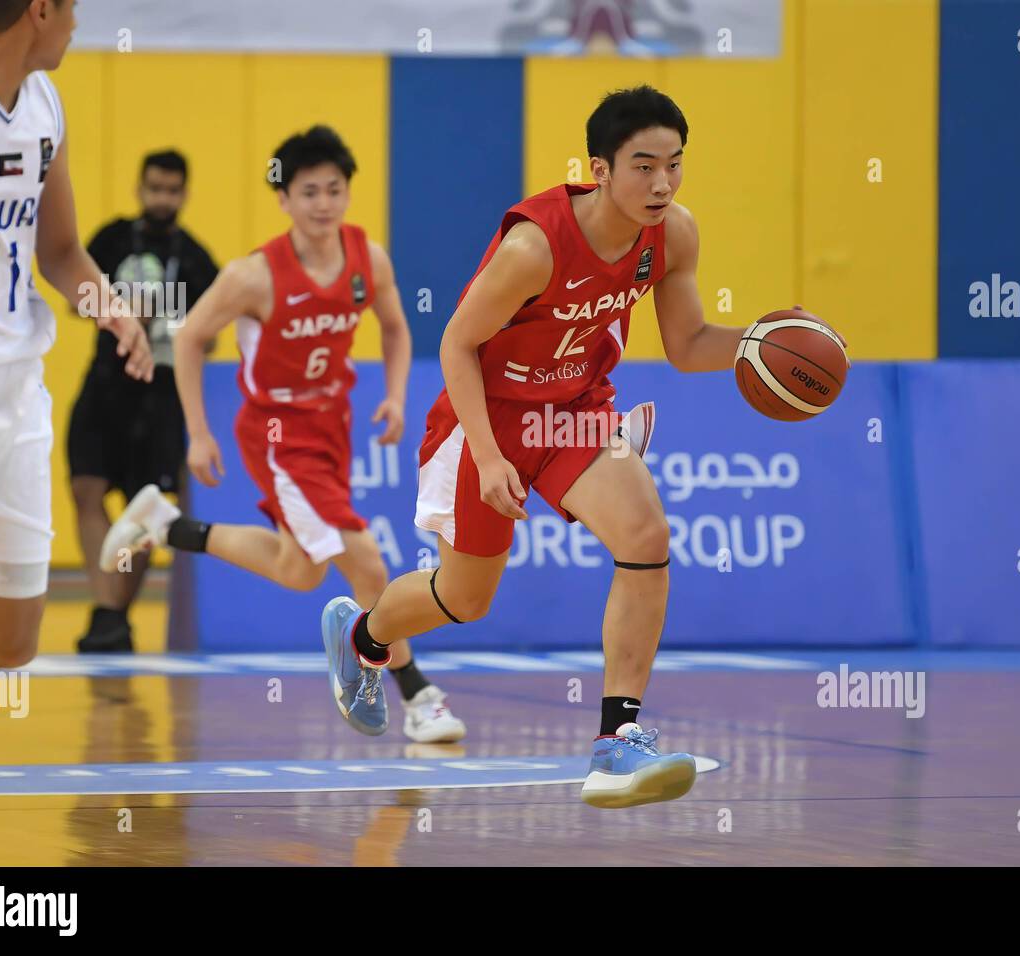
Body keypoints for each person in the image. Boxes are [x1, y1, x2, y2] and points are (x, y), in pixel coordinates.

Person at [320, 85, 769, 808]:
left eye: (675, 165)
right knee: (464, 600)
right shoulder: (536, 245)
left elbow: (686, 345)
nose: (661, 183)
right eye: (643, 166)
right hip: (488, 420)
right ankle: (365, 640)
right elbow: (458, 344)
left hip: (575, 414)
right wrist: (492, 457)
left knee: (646, 534)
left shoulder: (673, 235)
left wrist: (761, 340)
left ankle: (616, 743)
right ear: (600, 169)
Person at [102, 126, 466, 743]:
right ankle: (418, 696)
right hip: (276, 433)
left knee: (299, 570)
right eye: (308, 192)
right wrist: (197, 432)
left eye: (334, 190)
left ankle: (163, 524)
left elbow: (396, 327)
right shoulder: (254, 276)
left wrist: (398, 397)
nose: (323, 203)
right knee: (366, 560)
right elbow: (189, 337)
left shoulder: (366, 257)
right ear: (284, 198)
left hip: (332, 422)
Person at [0, 0, 153, 866]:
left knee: (9, 641)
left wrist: (113, 311)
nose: (80, 28)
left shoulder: (46, 106)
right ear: (39, 9)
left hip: (18, 398)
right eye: (75, 11)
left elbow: (59, 252)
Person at [67, 149, 218, 652]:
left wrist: (168, 321)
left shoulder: (196, 260)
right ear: (139, 187)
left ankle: (114, 615)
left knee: (145, 506)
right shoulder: (110, 240)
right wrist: (118, 312)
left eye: (172, 191)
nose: (162, 199)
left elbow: (211, 336)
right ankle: (108, 607)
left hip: (162, 394)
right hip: (107, 382)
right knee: (86, 488)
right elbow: (75, 298)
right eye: (154, 188)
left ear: (185, 194)